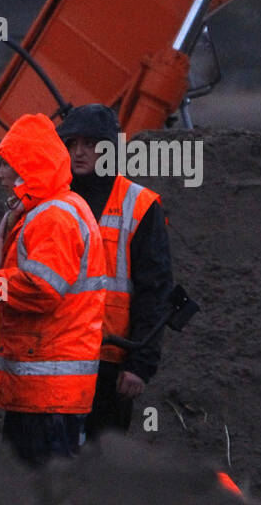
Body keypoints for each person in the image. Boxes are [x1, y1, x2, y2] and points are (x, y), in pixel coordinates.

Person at [0, 113, 106, 466]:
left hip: (48, 392)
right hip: (47, 390)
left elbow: (41, 289)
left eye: (6, 164)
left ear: (27, 167)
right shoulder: (52, 210)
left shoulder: (53, 216)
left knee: (41, 493)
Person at [56, 104, 175, 437]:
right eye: (72, 143)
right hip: (55, 357)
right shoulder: (51, 200)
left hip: (109, 360)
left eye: (90, 144)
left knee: (98, 468)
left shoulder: (139, 204)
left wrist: (140, 364)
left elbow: (155, 290)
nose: (78, 152)